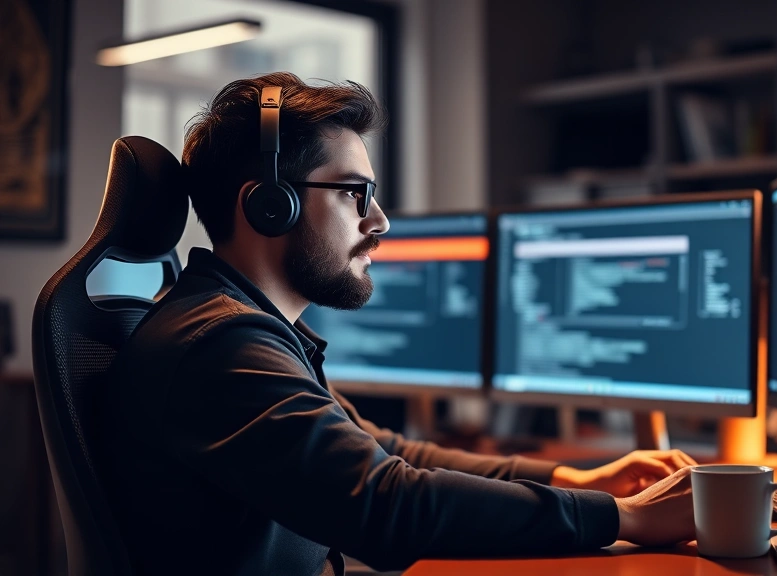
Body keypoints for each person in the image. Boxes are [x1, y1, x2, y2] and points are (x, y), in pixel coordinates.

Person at [99, 72, 697, 576]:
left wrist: (580, 478)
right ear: (269, 204)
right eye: (355, 194)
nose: (380, 221)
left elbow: (386, 452)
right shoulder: (221, 347)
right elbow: (384, 506)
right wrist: (627, 518)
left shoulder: (242, 328)